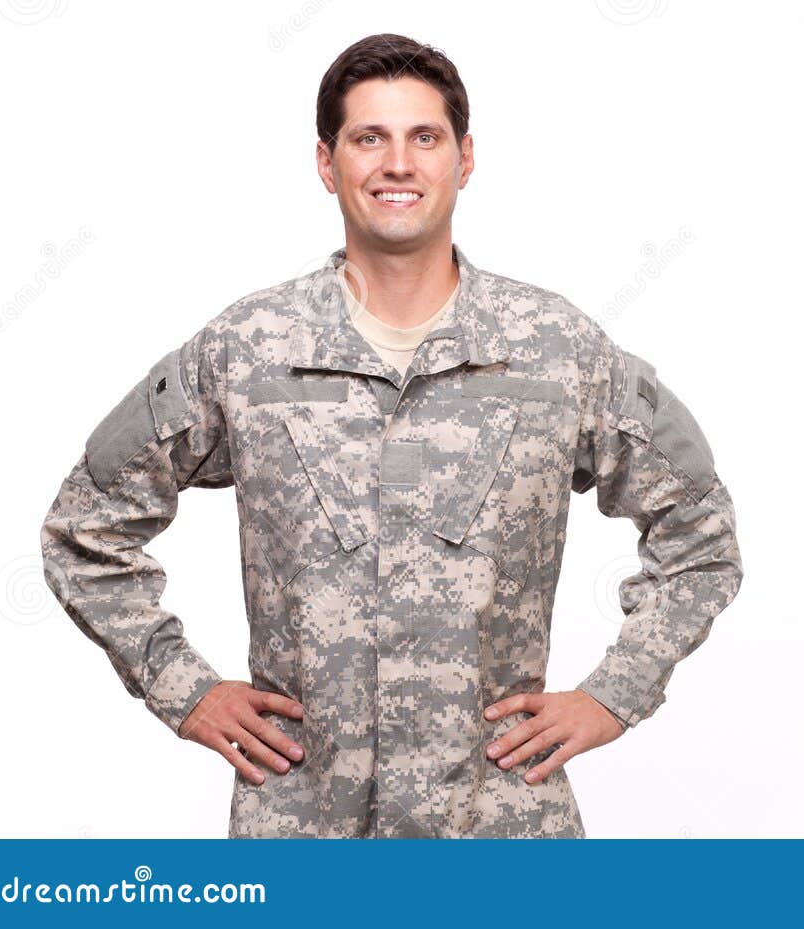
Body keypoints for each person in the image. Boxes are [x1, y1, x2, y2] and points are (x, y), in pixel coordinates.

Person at [39, 34, 742, 838]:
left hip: (499, 831)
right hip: (305, 833)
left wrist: (617, 691)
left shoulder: (557, 350)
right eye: (369, 137)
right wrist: (184, 686)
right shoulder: (247, 348)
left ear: (465, 159)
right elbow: (83, 528)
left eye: (425, 137)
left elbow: (701, 530)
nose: (397, 163)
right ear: (326, 162)